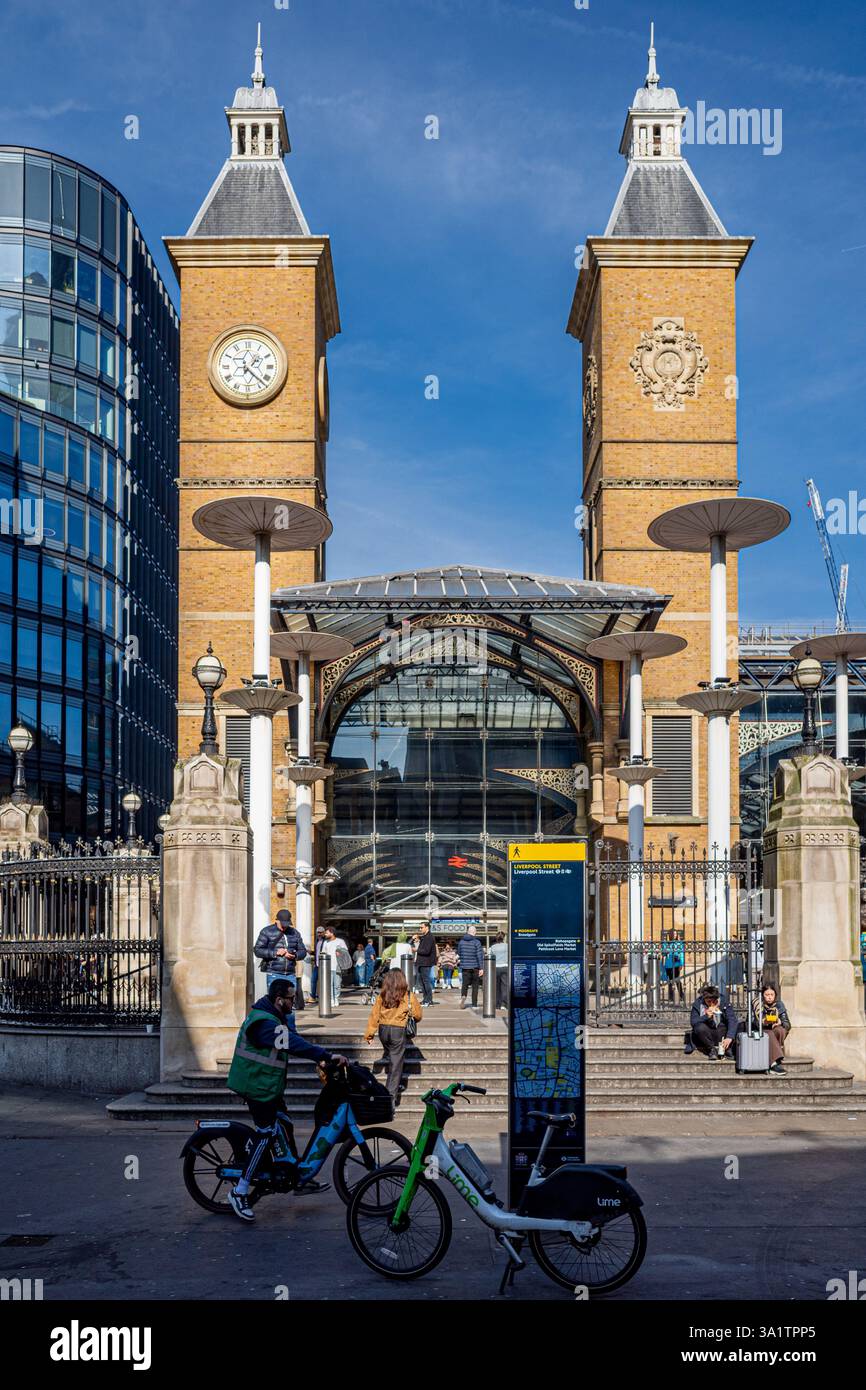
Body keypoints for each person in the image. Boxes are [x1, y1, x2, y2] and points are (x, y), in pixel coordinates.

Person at [226, 976, 348, 1221]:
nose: (295, 1002)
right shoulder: (264, 1023)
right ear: (279, 999)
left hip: (267, 1085)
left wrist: (321, 1058)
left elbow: (295, 1040)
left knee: (284, 1124)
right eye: (292, 998)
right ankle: (240, 1190)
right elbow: (292, 1043)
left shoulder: (274, 1016)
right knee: (266, 1133)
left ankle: (296, 1177)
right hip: (255, 1085)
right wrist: (324, 1055)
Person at [364, 967, 422, 1106]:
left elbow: (374, 1015)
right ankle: (390, 1099)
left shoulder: (382, 995)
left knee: (392, 1057)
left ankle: (392, 1083)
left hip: (383, 1030)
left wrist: (369, 1034)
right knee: (396, 1065)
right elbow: (418, 1015)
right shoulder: (408, 996)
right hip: (398, 1030)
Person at [253, 909, 307, 995]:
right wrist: (275, 952)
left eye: (286, 924)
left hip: (290, 974)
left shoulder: (294, 933)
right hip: (274, 973)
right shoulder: (266, 931)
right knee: (275, 1002)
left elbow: (303, 951)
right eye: (282, 924)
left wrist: (295, 956)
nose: (284, 927)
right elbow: (257, 950)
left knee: (290, 1002)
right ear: (277, 920)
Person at [688, 984, 738, 1060]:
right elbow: (693, 1022)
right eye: (709, 1002)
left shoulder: (724, 1002)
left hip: (721, 1031)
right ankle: (712, 1049)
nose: (711, 1004)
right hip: (706, 1034)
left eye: (714, 1001)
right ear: (704, 999)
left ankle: (727, 1048)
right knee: (699, 1027)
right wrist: (705, 1017)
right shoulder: (698, 1004)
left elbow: (732, 1019)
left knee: (739, 1026)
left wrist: (729, 1037)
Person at [753, 983, 791, 1075]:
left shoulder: (779, 1005)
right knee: (768, 1034)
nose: (769, 997)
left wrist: (780, 1022)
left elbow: (787, 1024)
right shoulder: (758, 1004)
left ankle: (775, 1058)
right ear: (763, 995)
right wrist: (763, 1022)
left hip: (774, 1030)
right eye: (767, 995)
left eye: (771, 995)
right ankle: (774, 1064)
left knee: (780, 1030)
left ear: (775, 995)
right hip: (761, 1031)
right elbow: (753, 1023)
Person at [321, 925, 350, 1007]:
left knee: (337, 984)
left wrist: (340, 952)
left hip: (337, 966)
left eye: (326, 933)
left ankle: (336, 998)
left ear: (332, 933)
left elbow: (346, 952)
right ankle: (331, 999)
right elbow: (323, 953)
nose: (325, 934)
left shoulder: (340, 941)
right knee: (329, 984)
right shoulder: (325, 942)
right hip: (328, 967)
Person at [457, 924, 484, 1009]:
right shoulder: (477, 942)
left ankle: (463, 996)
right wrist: (481, 968)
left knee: (465, 984)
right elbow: (479, 956)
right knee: (475, 986)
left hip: (465, 967)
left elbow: (459, 953)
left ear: (468, 932)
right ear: (474, 932)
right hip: (475, 967)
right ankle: (474, 1004)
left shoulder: (461, 942)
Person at [414, 921, 437, 1007]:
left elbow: (426, 951)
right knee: (421, 982)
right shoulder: (424, 937)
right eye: (420, 927)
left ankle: (429, 1000)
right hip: (421, 962)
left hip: (426, 962)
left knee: (426, 981)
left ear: (427, 927)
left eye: (421, 927)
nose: (420, 929)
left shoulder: (430, 937)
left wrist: (416, 950)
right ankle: (425, 999)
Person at [663, 931, 685, 1005]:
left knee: (677, 980)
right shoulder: (666, 943)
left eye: (675, 934)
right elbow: (663, 953)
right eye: (672, 934)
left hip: (676, 964)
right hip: (668, 964)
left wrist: (681, 964)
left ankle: (681, 995)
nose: (674, 935)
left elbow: (681, 953)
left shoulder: (679, 943)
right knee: (670, 981)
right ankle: (671, 997)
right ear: (669, 935)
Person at [489, 932, 508, 1010]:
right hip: (505, 967)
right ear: (503, 938)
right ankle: (504, 1004)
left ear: (496, 938)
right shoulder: (507, 946)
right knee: (505, 987)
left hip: (495, 968)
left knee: (496, 987)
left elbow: (489, 956)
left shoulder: (492, 947)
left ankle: (497, 1004)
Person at [309, 928, 325, 1003]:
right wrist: (311, 952)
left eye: (321, 932)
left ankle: (322, 996)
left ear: (324, 933)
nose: (319, 934)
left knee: (323, 981)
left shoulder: (325, 941)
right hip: (317, 964)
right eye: (318, 932)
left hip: (324, 965)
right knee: (313, 980)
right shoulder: (317, 941)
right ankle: (313, 996)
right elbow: (317, 952)